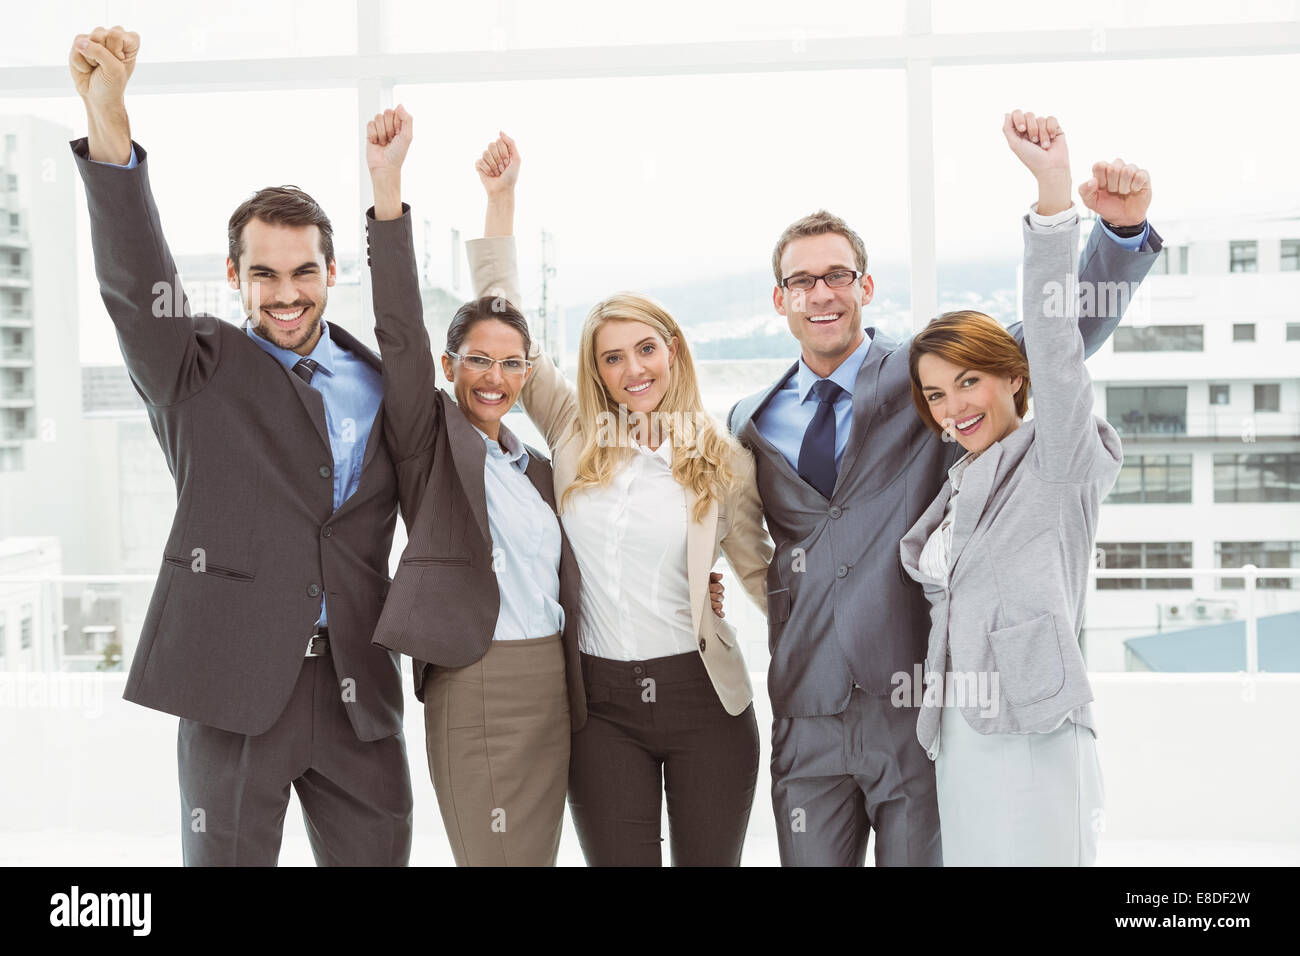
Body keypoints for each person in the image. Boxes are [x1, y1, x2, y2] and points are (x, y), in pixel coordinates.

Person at [728, 108, 1160, 866]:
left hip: (916, 696)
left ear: (865, 285)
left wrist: (1116, 238)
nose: (821, 292)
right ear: (780, 299)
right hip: (807, 705)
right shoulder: (749, 417)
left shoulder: (926, 373)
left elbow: (1055, 345)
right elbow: (756, 537)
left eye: (837, 275)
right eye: (802, 280)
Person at [67, 26, 412, 865]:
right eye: (264, 274)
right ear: (234, 276)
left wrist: (390, 192)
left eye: (303, 272)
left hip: (358, 691)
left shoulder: (383, 383)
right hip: (232, 685)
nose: (286, 293)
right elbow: (132, 279)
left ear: (332, 271)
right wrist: (110, 120)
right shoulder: (194, 368)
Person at [470, 133, 773, 866]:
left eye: (644, 349)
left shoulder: (721, 457)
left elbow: (762, 574)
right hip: (599, 705)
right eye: (612, 357)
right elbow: (502, 318)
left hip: (706, 698)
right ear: (596, 371)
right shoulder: (574, 429)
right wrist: (501, 201)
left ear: (672, 350)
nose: (631, 368)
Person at [899, 114, 1127, 865]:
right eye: (935, 394)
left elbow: (1058, 345)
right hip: (960, 728)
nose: (954, 406)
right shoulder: (961, 482)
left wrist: (1053, 198)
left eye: (969, 381)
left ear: (1013, 377)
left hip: (1032, 725)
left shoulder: (1055, 456)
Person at [363, 108, 587, 866]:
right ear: (452, 364)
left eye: (512, 363)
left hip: (554, 680)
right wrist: (387, 185)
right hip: (478, 675)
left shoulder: (533, 464)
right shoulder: (430, 440)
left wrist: (502, 202)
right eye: (478, 360)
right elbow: (397, 328)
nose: (496, 377)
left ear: (528, 373)